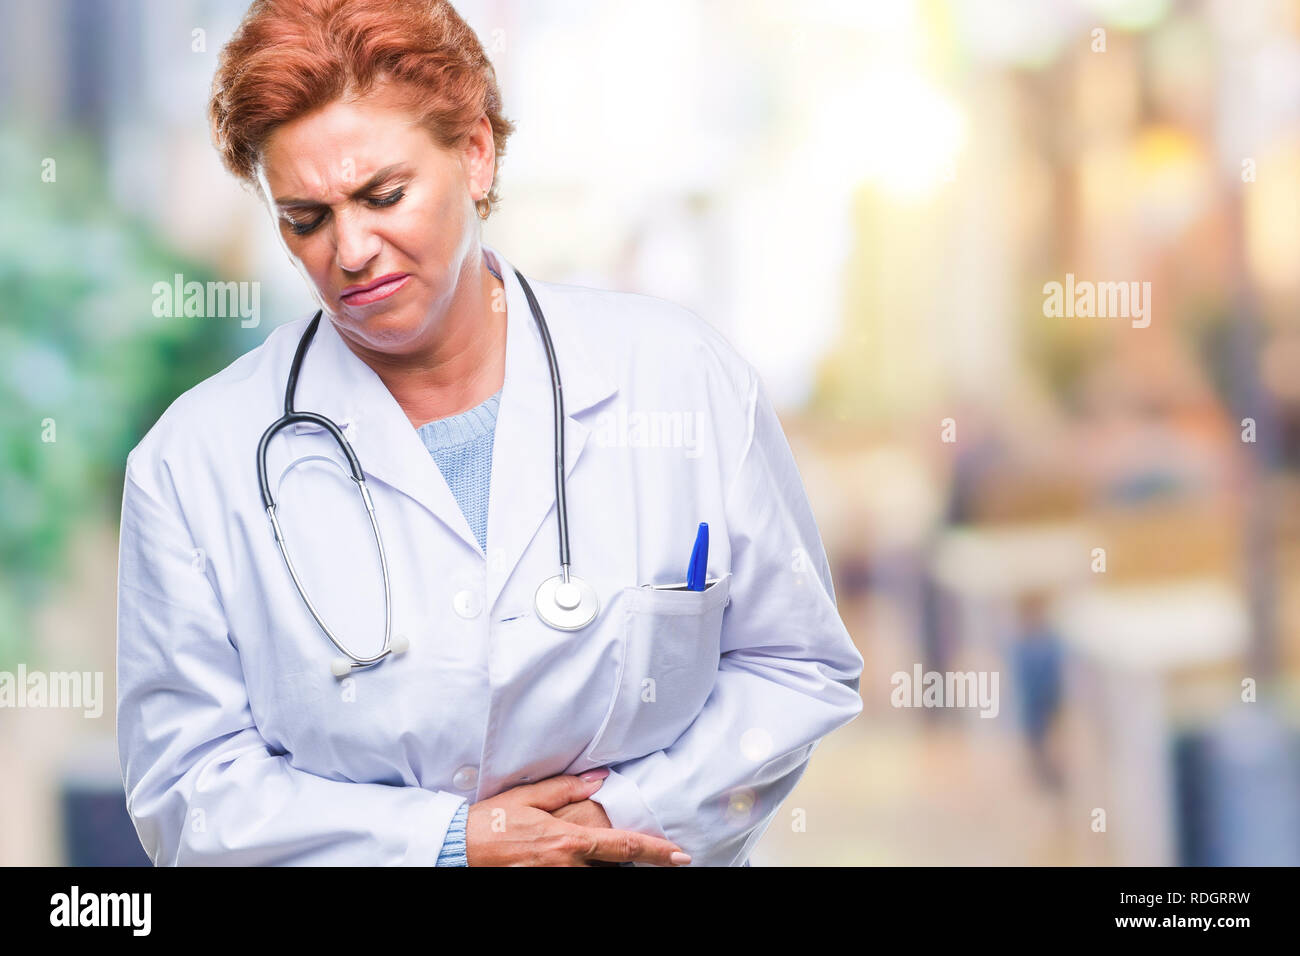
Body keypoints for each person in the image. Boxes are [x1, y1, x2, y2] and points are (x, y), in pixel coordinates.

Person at [115, 0, 863, 866]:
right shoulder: (192, 464)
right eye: (306, 218)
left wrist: (615, 821)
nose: (350, 248)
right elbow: (190, 791)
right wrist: (445, 845)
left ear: (475, 153)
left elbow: (794, 668)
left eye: (383, 195)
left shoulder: (679, 380)